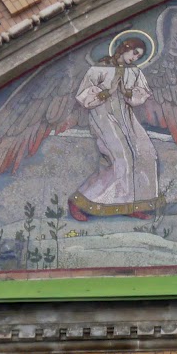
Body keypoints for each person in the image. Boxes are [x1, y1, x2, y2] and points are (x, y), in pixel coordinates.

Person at [69, 37, 163, 221]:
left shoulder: (133, 72)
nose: (135, 58)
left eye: (139, 56)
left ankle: (132, 203)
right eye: (134, 53)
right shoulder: (99, 68)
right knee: (123, 159)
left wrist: (129, 93)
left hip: (126, 118)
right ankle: (79, 202)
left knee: (146, 153)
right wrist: (105, 92)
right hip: (103, 116)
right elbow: (84, 95)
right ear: (125, 47)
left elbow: (141, 93)